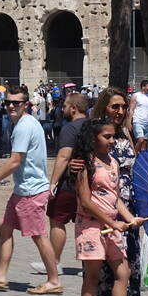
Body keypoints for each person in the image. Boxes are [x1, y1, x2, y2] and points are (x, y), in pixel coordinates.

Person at [0, 85, 61, 294]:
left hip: (31, 191)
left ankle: (53, 281)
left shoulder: (23, 126)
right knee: (4, 227)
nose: (11, 106)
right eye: (8, 103)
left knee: (38, 235)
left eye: (16, 103)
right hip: (22, 189)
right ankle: (0, 275)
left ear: (26, 105)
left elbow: (15, 161)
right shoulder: (26, 123)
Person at [74, 119, 148, 296]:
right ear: (93, 138)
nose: (111, 141)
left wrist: (129, 219)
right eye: (106, 137)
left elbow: (114, 198)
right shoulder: (84, 164)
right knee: (93, 276)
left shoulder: (113, 162)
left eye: (113, 137)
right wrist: (111, 222)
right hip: (90, 227)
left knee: (123, 273)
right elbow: (86, 202)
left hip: (112, 226)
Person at [84, 88, 144, 296]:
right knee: (103, 268)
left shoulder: (126, 133)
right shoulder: (93, 136)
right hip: (103, 210)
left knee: (125, 265)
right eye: (114, 107)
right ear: (103, 108)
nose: (119, 112)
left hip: (128, 208)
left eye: (123, 107)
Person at [33, 92, 89, 276]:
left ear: (73, 108)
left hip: (70, 183)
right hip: (91, 182)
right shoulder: (93, 126)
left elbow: (64, 156)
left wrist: (53, 182)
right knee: (87, 222)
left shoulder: (70, 129)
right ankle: (89, 264)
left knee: (57, 220)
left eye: (65, 106)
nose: (62, 108)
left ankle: (54, 262)